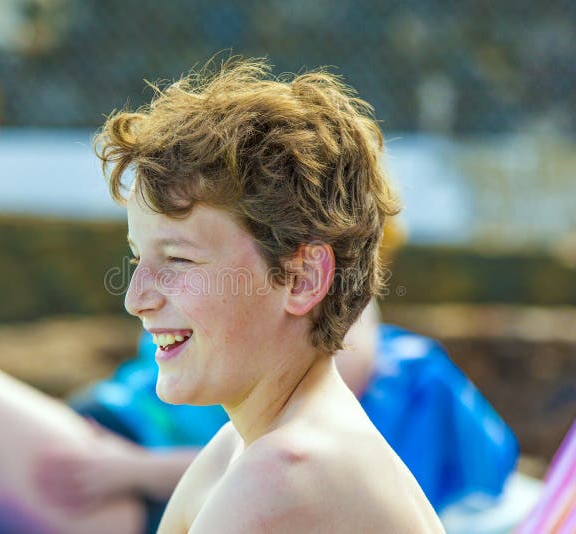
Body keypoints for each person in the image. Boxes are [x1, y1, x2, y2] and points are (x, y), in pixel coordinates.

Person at [90, 57, 444, 532]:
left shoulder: (285, 476)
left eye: (178, 259)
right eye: (138, 259)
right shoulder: (235, 452)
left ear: (301, 279)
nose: (135, 299)